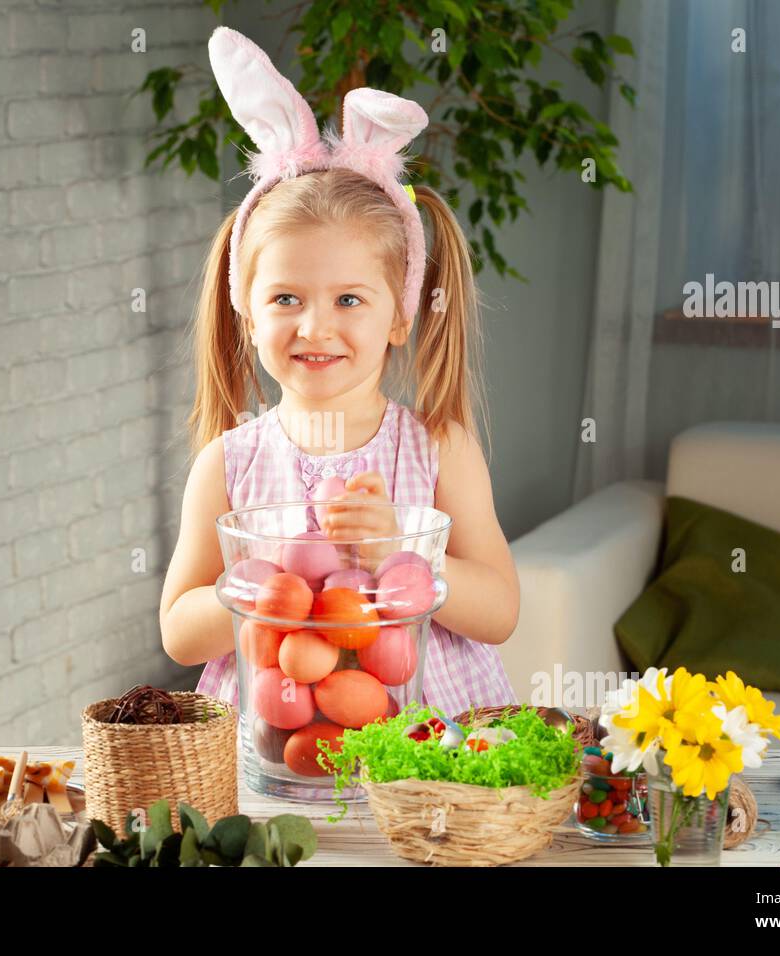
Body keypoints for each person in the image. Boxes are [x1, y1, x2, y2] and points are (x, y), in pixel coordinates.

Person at [159, 26, 519, 717]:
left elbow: (499, 611)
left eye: (349, 299)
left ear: (398, 317)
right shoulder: (227, 464)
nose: (314, 326)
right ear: (246, 312)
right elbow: (179, 630)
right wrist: (265, 584)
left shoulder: (436, 447)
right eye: (285, 298)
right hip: (274, 754)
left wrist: (401, 552)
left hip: (423, 763)